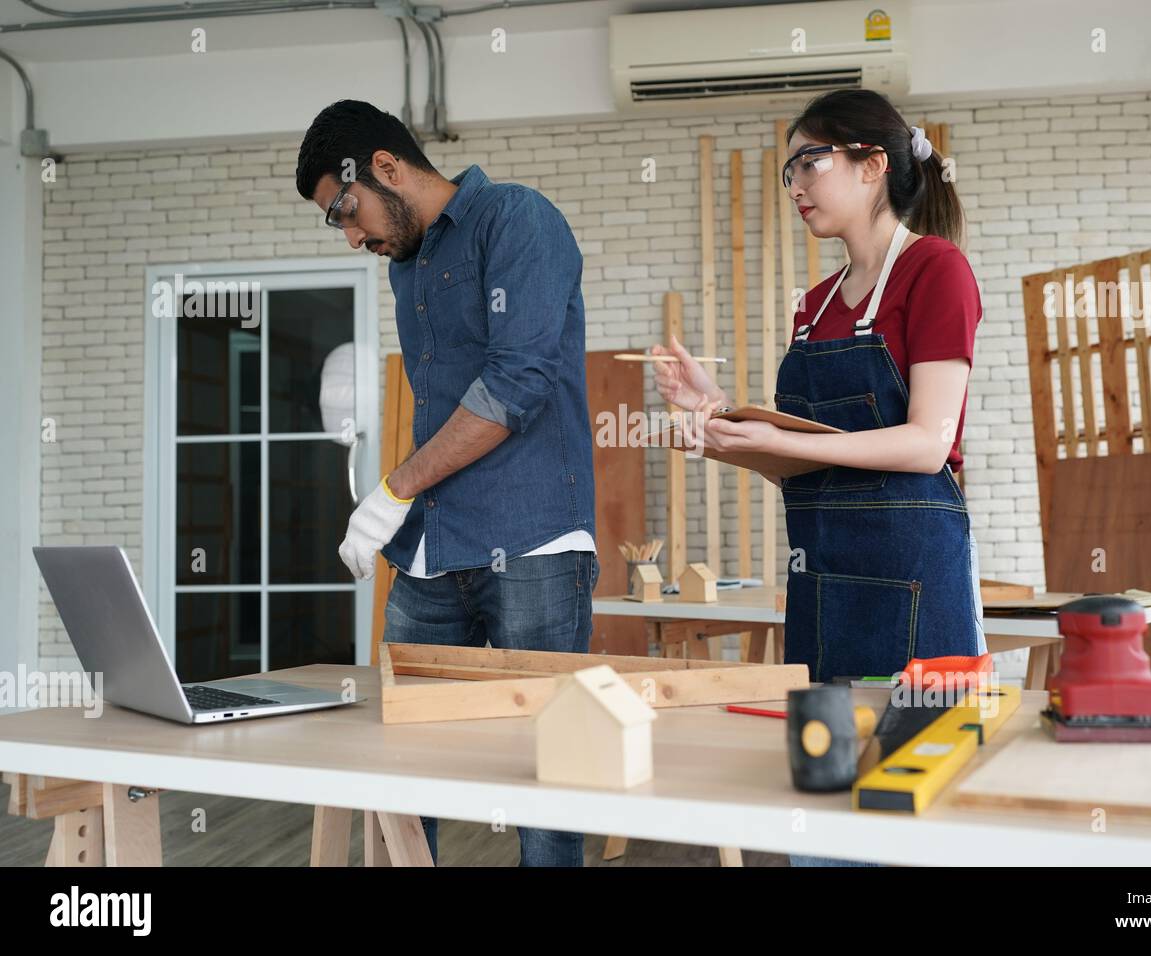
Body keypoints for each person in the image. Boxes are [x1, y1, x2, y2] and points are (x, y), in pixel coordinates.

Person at [652, 89, 985, 866]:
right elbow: (809, 470)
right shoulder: (813, 307)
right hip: (825, 580)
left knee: (914, 805)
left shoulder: (935, 270)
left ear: (872, 166)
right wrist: (726, 422)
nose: (796, 184)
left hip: (915, 581)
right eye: (788, 170)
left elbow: (927, 445)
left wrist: (778, 434)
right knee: (824, 800)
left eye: (811, 162)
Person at [296, 100, 597, 866]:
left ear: (387, 168)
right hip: (431, 554)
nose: (354, 235)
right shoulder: (407, 267)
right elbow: (443, 405)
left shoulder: (516, 219)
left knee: (548, 768)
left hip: (532, 541)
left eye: (347, 210)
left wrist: (393, 487)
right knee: (407, 766)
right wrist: (406, 506)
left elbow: (517, 383)